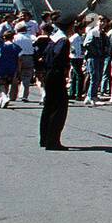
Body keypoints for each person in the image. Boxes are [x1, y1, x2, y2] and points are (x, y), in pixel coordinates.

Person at [39, 22, 71, 150]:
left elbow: (45, 55)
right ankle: (53, 140)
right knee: (59, 107)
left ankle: (45, 138)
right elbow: (59, 57)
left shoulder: (53, 39)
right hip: (57, 73)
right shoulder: (63, 40)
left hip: (49, 73)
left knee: (48, 106)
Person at [0, 30, 21, 106]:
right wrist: (19, 69)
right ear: (13, 37)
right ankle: (2, 100)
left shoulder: (1, 46)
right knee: (7, 84)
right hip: (12, 68)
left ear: (4, 37)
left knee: (1, 84)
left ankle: (4, 97)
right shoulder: (16, 47)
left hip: (1, 67)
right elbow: (19, 59)